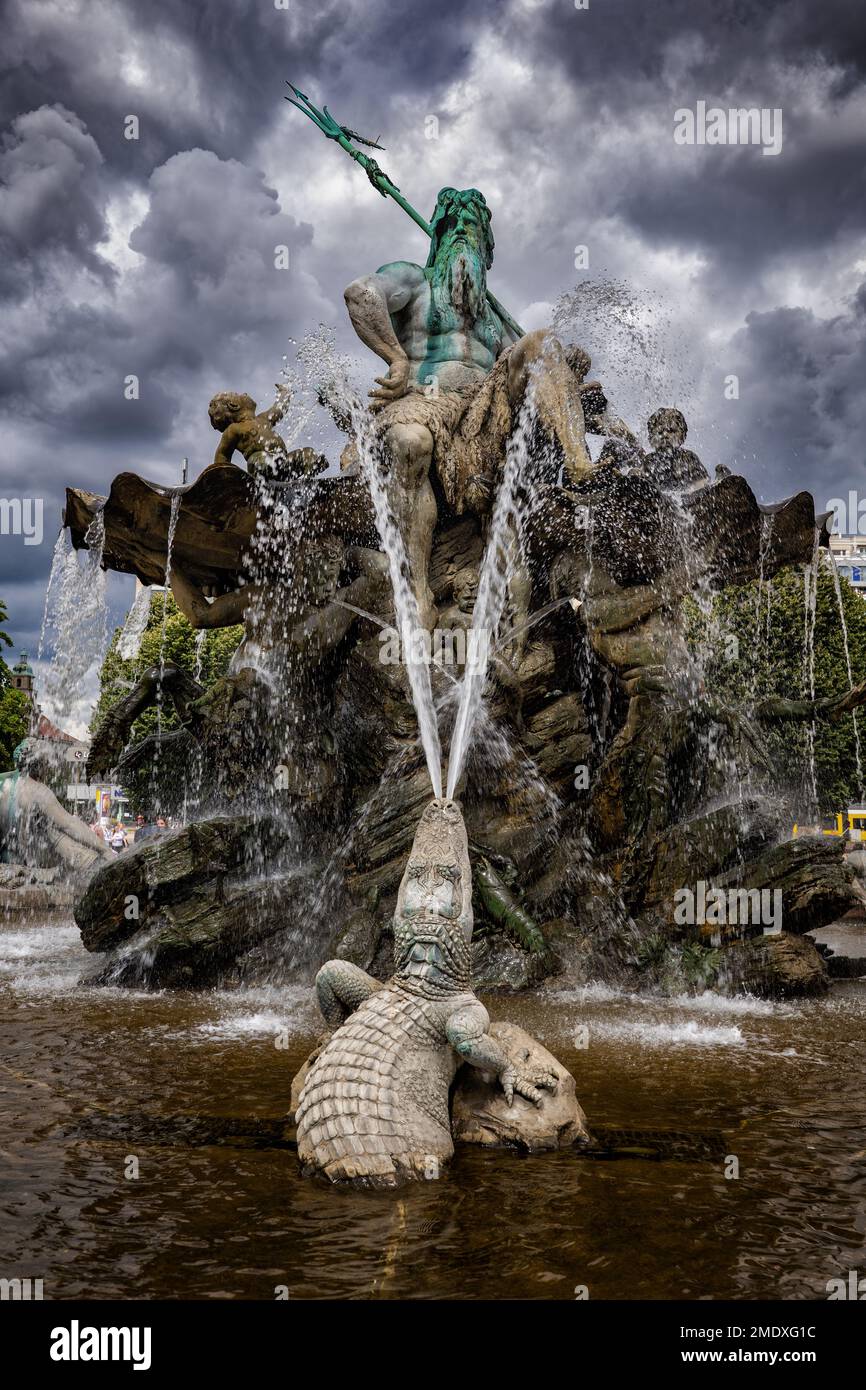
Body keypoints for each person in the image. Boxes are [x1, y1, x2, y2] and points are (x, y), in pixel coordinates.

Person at [342, 185, 596, 630]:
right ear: (437, 238)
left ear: (486, 250)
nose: (462, 231)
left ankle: (581, 467)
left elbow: (536, 371)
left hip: (482, 419)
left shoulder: (493, 321)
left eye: (472, 227)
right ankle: (417, 595)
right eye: (453, 225)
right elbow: (361, 294)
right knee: (409, 441)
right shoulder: (414, 280)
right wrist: (396, 359)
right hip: (423, 405)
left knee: (542, 343)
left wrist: (566, 367)